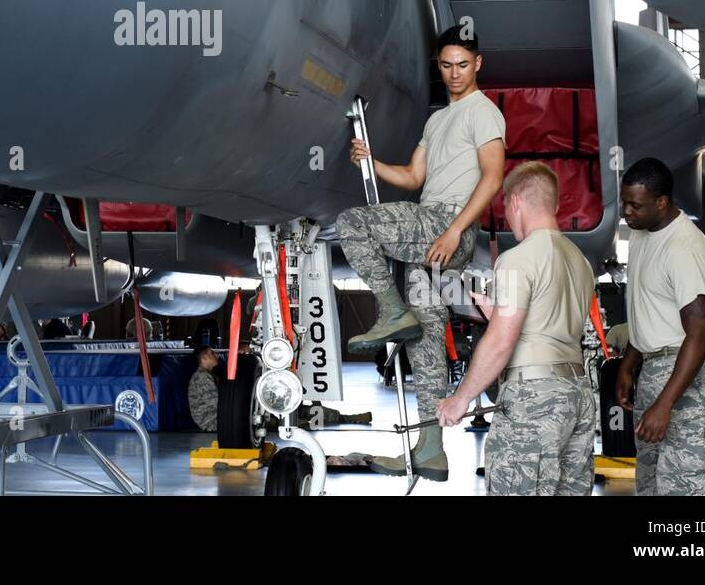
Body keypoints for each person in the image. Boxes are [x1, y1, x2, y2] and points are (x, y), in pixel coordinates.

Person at [336, 24, 506, 480]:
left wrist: (455, 230)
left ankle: (391, 310)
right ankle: (430, 450)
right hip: (430, 226)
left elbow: (493, 178)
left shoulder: (483, 112)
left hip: (446, 224)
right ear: (440, 64)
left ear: (478, 64)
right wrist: (371, 161)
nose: (455, 74)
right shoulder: (437, 119)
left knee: (351, 224)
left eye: (463, 65)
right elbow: (413, 178)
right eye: (447, 65)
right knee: (426, 346)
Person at [435, 162, 596, 495]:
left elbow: (501, 341)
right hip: (577, 393)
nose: (507, 214)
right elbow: (549, 322)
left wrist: (461, 398)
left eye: (506, 206)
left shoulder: (517, 259)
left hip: (534, 397)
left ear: (517, 201)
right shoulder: (580, 261)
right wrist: (497, 313)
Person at [615, 157, 705, 496]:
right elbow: (652, 307)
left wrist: (665, 404)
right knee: (651, 481)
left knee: (684, 484)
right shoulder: (642, 233)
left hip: (692, 367)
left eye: (635, 205)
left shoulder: (683, 248)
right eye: (624, 202)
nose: (626, 212)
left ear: (662, 202)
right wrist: (629, 363)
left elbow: (700, 332)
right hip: (655, 364)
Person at [186, 346, 372, 434]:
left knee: (291, 409)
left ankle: (347, 417)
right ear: (203, 358)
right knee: (281, 416)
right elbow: (221, 407)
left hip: (226, 418)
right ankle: (335, 419)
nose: (215, 355)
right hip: (216, 422)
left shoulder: (211, 375)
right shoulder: (202, 378)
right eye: (211, 353)